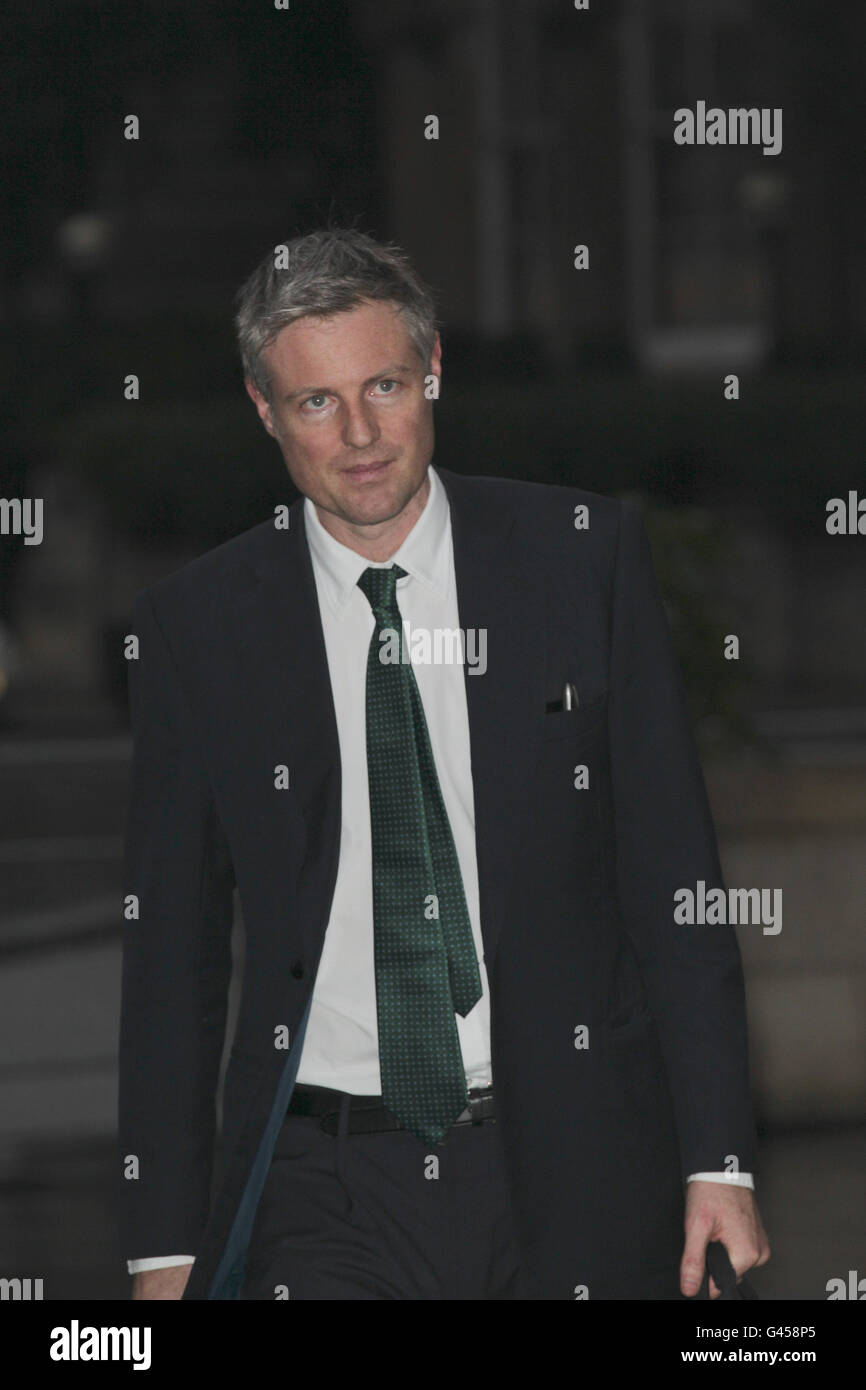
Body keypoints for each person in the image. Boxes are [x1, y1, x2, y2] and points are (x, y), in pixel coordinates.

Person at [118, 227, 770, 1300]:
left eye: (382, 383)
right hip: (323, 1175)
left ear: (432, 370)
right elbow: (169, 958)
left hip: (568, 1151)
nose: (360, 433)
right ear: (262, 409)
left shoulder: (578, 559)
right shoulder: (198, 630)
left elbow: (670, 877)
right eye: (316, 401)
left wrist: (717, 1156)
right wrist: (162, 1244)